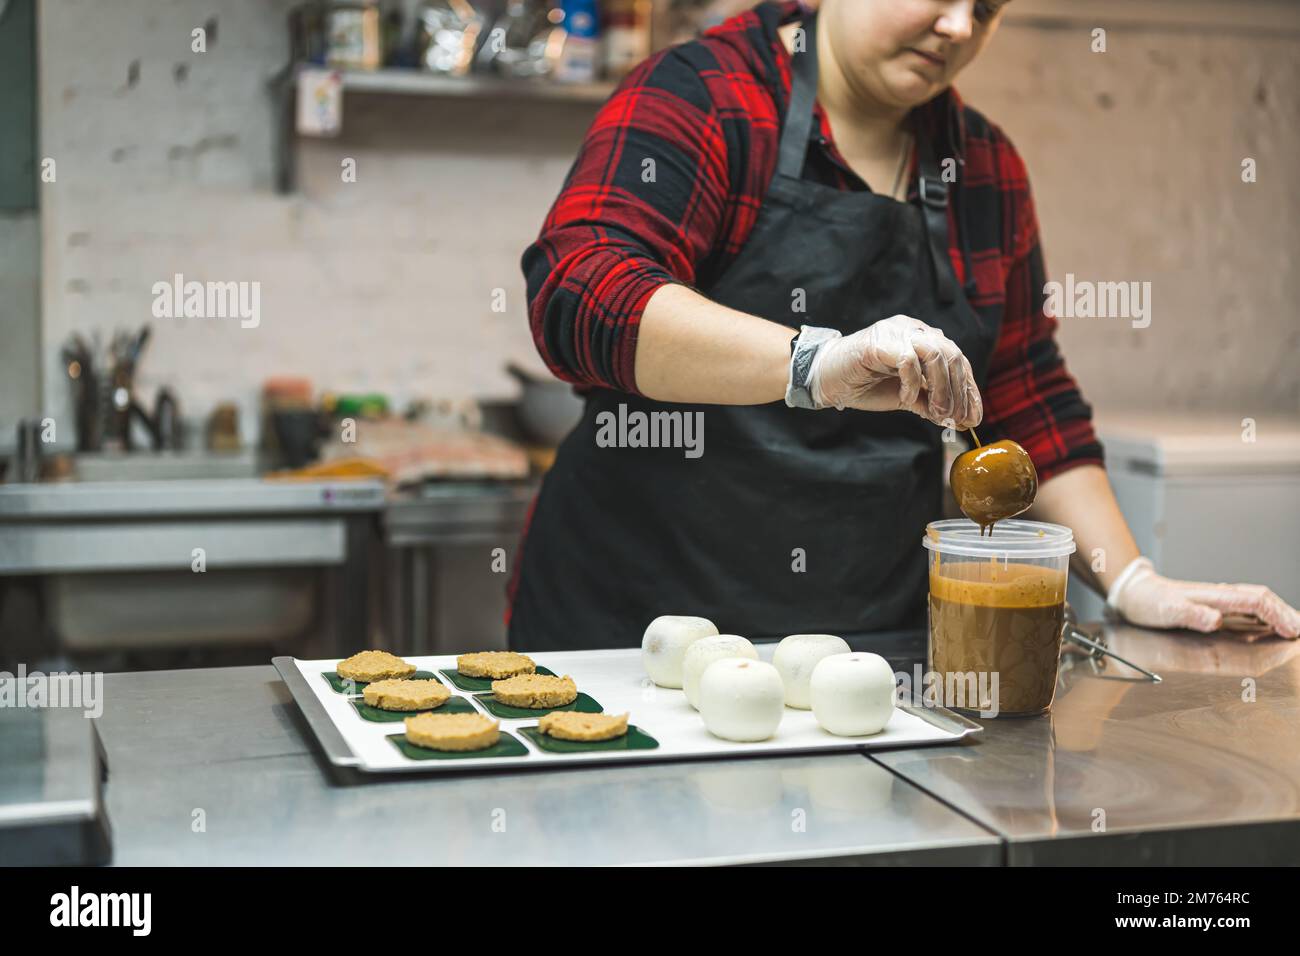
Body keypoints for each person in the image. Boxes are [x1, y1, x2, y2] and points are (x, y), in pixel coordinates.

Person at [506, 0, 1299, 651]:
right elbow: (582, 290)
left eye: (985, 9)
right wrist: (812, 364)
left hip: (871, 646)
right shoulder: (705, 95)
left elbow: (1025, 391)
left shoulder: (980, 167)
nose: (958, 27)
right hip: (637, 635)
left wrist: (1132, 582)